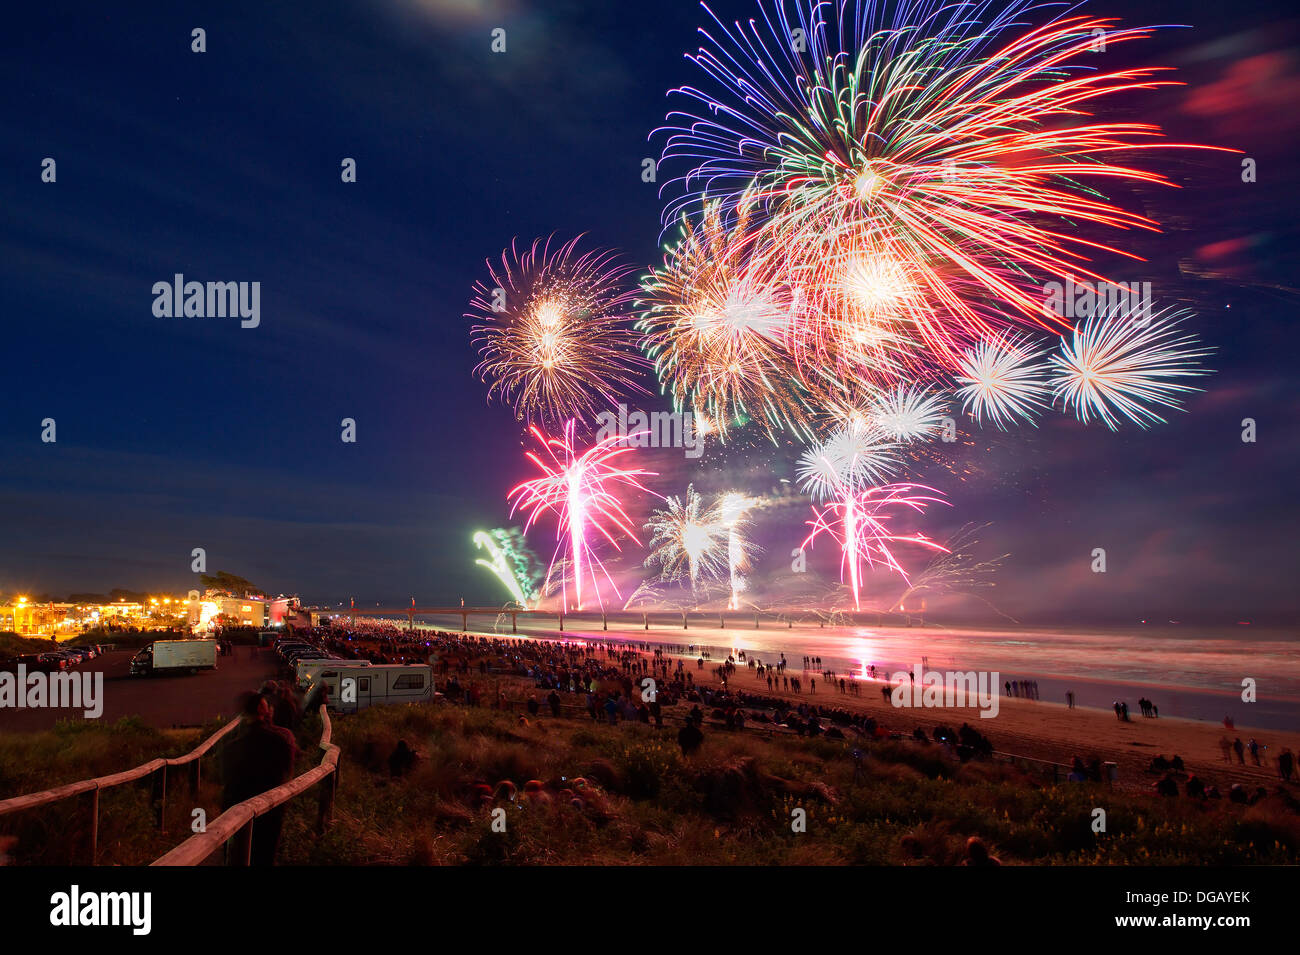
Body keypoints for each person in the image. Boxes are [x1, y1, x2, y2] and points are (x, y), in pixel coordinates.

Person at [221, 691, 298, 865]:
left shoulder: (231, 746)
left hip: (235, 814)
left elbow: (226, 781)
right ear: (261, 708)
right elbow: (287, 772)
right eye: (266, 704)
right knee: (264, 856)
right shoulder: (279, 739)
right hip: (269, 812)